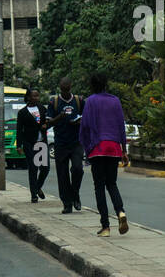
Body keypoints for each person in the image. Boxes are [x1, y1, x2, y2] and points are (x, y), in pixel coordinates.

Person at [79, 72, 129, 236]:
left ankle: (105, 226)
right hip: (114, 147)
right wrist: (124, 150)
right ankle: (120, 211)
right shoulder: (115, 101)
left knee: (99, 186)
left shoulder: (90, 101)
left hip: (98, 148)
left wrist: (86, 149)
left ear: (93, 85)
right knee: (112, 183)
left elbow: (85, 127)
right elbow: (121, 125)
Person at [46, 77, 84, 213]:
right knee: (62, 175)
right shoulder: (54, 102)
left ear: (71, 87)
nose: (66, 92)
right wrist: (59, 117)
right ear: (60, 88)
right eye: (63, 89)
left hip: (76, 142)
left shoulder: (79, 101)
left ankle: (75, 194)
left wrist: (78, 122)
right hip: (60, 143)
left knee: (78, 169)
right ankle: (67, 203)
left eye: (67, 89)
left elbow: (86, 119)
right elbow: (48, 123)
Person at [16, 87, 49, 202]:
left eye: (37, 96)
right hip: (29, 143)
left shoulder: (42, 109)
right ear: (28, 97)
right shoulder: (22, 112)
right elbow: (19, 130)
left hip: (42, 142)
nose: (36, 98)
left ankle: (37, 187)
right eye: (33, 96)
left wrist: (46, 125)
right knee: (33, 169)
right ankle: (33, 195)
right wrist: (18, 145)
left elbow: (48, 121)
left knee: (45, 168)